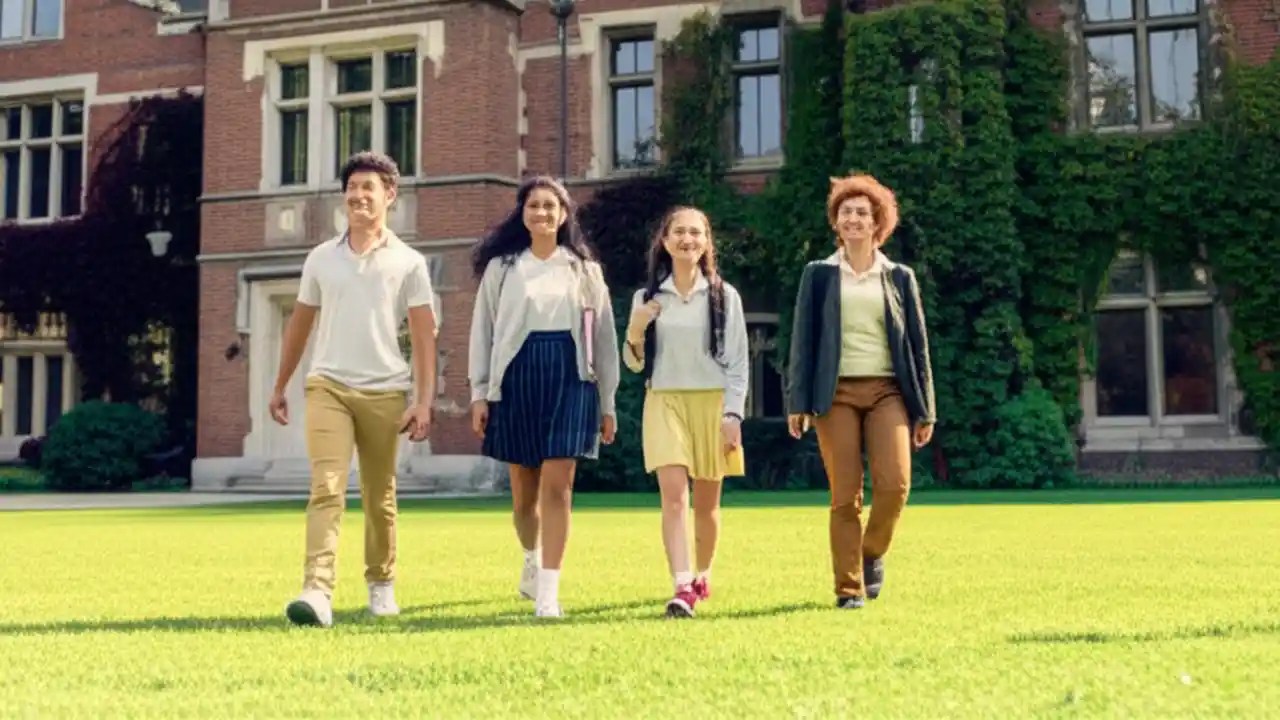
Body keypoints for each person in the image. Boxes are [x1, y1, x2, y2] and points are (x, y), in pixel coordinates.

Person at [268, 151, 437, 628]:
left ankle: (381, 583)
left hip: (386, 391)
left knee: (380, 494)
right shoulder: (321, 257)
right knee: (326, 487)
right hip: (328, 386)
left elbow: (424, 336)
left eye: (369, 187)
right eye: (352, 187)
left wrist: (423, 401)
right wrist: (280, 384)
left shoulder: (409, 262)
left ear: (390, 195)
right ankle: (316, 591)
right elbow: (299, 325)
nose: (359, 195)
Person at [467, 175, 620, 619]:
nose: (541, 213)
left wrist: (606, 402)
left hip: (572, 378)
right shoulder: (502, 269)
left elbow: (604, 339)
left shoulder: (585, 271)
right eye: (533, 206)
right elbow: (483, 333)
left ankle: (549, 594)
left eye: (550, 206)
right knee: (524, 497)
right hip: (515, 377)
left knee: (560, 486)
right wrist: (480, 393)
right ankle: (531, 560)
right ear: (522, 214)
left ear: (564, 214)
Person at [785, 173, 936, 609]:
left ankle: (870, 554)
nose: (853, 219)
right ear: (837, 222)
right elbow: (803, 341)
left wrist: (925, 409)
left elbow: (918, 345)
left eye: (862, 213)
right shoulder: (818, 275)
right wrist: (798, 402)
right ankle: (848, 588)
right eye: (845, 212)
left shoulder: (899, 277)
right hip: (835, 395)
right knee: (845, 494)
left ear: (877, 223)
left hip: (888, 391)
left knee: (894, 485)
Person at [623, 206, 749, 618]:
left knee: (707, 506)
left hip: (712, 403)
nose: (687, 239)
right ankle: (681, 584)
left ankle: (703, 573)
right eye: (679, 231)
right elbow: (634, 362)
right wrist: (637, 326)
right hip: (664, 401)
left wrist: (733, 416)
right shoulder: (646, 298)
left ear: (706, 243)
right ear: (665, 240)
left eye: (696, 233)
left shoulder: (723, 296)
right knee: (674, 498)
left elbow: (738, 362)